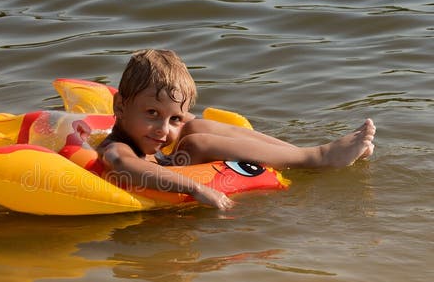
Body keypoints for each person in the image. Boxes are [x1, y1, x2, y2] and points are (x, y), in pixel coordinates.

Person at [97, 49, 376, 210]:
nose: (163, 129)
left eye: (173, 119)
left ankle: (303, 154)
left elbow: (186, 120)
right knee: (196, 144)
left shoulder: (154, 129)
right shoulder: (116, 147)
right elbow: (125, 166)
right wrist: (195, 189)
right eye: (152, 114)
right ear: (120, 106)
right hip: (177, 180)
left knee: (197, 126)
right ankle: (317, 157)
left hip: (173, 165)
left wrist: (186, 121)